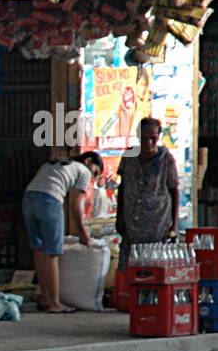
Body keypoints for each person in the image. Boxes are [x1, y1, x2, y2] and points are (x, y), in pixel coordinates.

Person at [22, 150, 104, 313]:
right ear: (88, 161)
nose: (92, 178)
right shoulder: (83, 171)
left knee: (38, 249)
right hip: (49, 200)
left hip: (28, 199)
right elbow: (75, 205)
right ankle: (54, 303)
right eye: (95, 172)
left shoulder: (56, 163)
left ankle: (45, 295)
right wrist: (83, 234)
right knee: (52, 254)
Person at [116, 117, 179, 265]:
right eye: (144, 139)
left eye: (153, 138)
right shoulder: (129, 156)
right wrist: (119, 217)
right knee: (129, 267)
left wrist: (174, 226)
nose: (148, 143)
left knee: (153, 267)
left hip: (157, 225)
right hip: (132, 225)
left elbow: (174, 191)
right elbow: (122, 187)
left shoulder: (167, 160)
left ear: (158, 137)